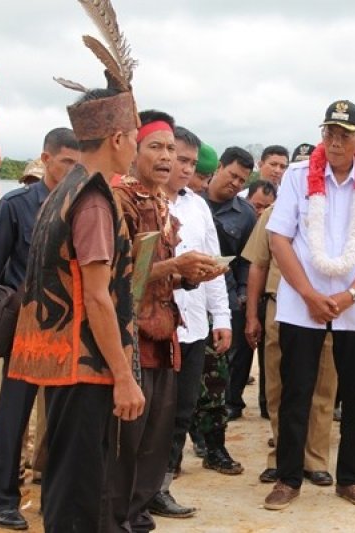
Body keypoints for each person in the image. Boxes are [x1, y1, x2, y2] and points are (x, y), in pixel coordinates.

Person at [7, 25, 148, 527]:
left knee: (68, 483)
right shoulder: (93, 199)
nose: (136, 147)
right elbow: (98, 296)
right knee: (82, 491)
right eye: (134, 138)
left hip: (61, 361)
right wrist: (126, 377)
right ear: (116, 138)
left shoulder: (65, 189)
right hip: (84, 366)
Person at [263, 99, 355, 510]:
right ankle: (288, 478)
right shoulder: (298, 176)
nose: (336, 141)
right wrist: (308, 293)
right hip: (302, 302)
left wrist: (349, 295)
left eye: (345, 134)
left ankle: (351, 479)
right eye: (329, 133)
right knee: (296, 391)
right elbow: (279, 238)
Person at [104, 110, 225, 532]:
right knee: (127, 437)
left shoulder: (161, 202)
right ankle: (116, 516)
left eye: (172, 150)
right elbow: (121, 278)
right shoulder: (119, 199)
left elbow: (161, 274)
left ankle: (137, 512)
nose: (167, 157)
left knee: (157, 433)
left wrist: (191, 274)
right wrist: (176, 264)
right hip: (129, 334)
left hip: (165, 331)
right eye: (155, 147)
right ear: (133, 150)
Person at [0, 127, 79, 530]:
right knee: (13, 415)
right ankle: (2, 501)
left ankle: (54, 492)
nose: (73, 170)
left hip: (69, 329)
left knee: (62, 417)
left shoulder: (83, 206)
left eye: (78, 163)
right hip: (25, 327)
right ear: (46, 160)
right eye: (66, 161)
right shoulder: (17, 206)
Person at [149, 126, 232, 519]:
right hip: (150, 329)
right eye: (179, 159)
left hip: (193, 327)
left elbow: (214, 266)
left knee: (181, 412)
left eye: (190, 163)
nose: (183, 168)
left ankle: (161, 487)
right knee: (147, 414)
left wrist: (224, 318)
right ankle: (134, 488)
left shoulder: (196, 206)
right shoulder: (139, 201)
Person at [243, 202, 338, 487]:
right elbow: (258, 264)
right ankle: (282, 457)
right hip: (280, 306)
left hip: (326, 308)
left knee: (323, 385)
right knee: (279, 386)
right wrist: (251, 315)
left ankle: (316, 459)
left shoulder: (339, 206)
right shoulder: (276, 211)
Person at [200, 146, 257, 471]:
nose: (235, 183)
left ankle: (215, 448)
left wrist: (241, 298)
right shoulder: (191, 202)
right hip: (187, 300)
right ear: (218, 167)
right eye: (232, 175)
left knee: (216, 382)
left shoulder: (245, 214)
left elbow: (247, 262)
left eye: (242, 180)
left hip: (224, 302)